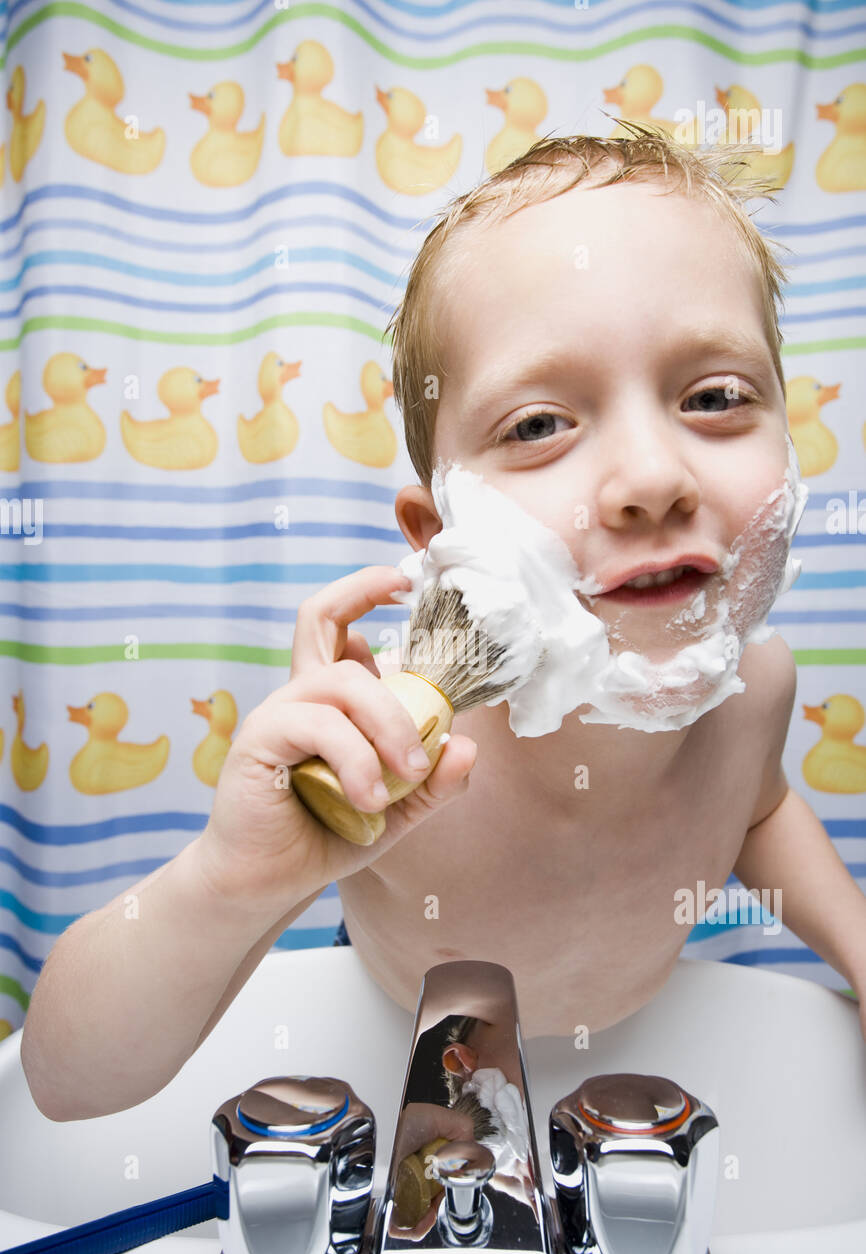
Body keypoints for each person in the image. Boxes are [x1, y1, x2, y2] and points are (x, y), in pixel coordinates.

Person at [22, 127, 866, 1123]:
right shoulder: (389, 755)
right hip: (406, 1058)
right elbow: (62, 1088)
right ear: (439, 541)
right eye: (539, 424)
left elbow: (758, 811)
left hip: (633, 1068)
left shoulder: (753, 688)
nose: (650, 478)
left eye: (713, 396)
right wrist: (228, 881)